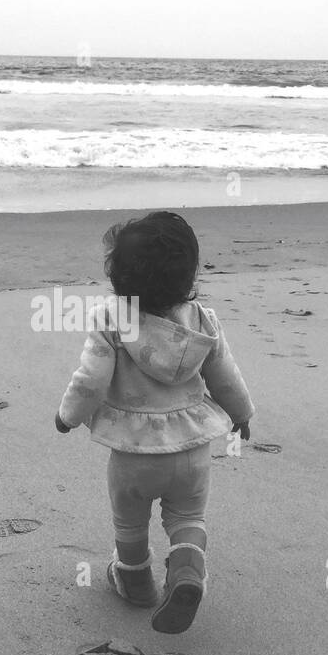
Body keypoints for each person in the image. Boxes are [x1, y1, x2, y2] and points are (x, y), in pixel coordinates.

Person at [55, 211, 255, 633]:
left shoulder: (111, 319)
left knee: (130, 520)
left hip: (133, 453)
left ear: (118, 279)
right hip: (193, 449)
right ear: (190, 275)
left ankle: (135, 581)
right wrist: (242, 414)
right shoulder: (203, 320)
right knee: (187, 517)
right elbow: (226, 377)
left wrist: (67, 415)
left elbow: (90, 380)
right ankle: (186, 572)